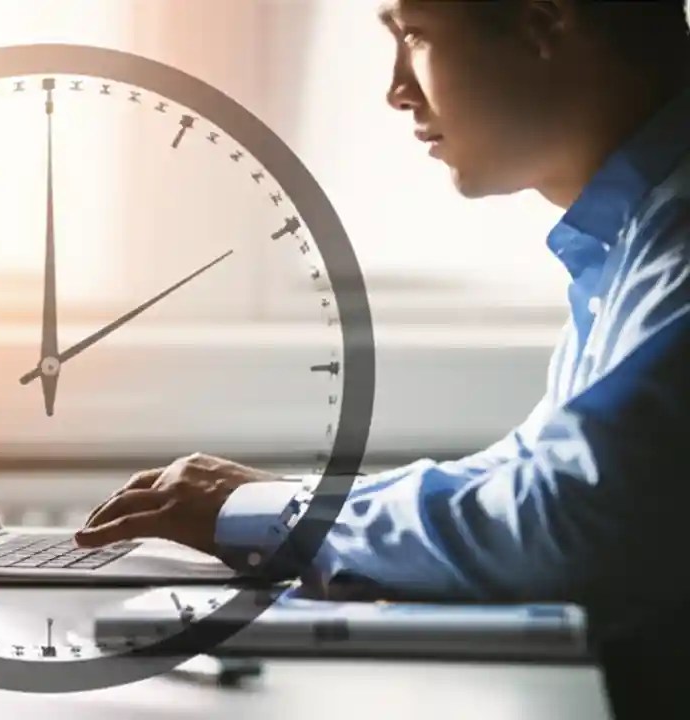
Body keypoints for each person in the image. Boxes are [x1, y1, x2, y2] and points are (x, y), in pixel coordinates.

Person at [72, 0, 690, 715]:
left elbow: (573, 521)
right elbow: (538, 475)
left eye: (415, 34)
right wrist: (287, 507)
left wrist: (278, 513)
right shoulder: (633, 240)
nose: (397, 90)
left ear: (544, 20)